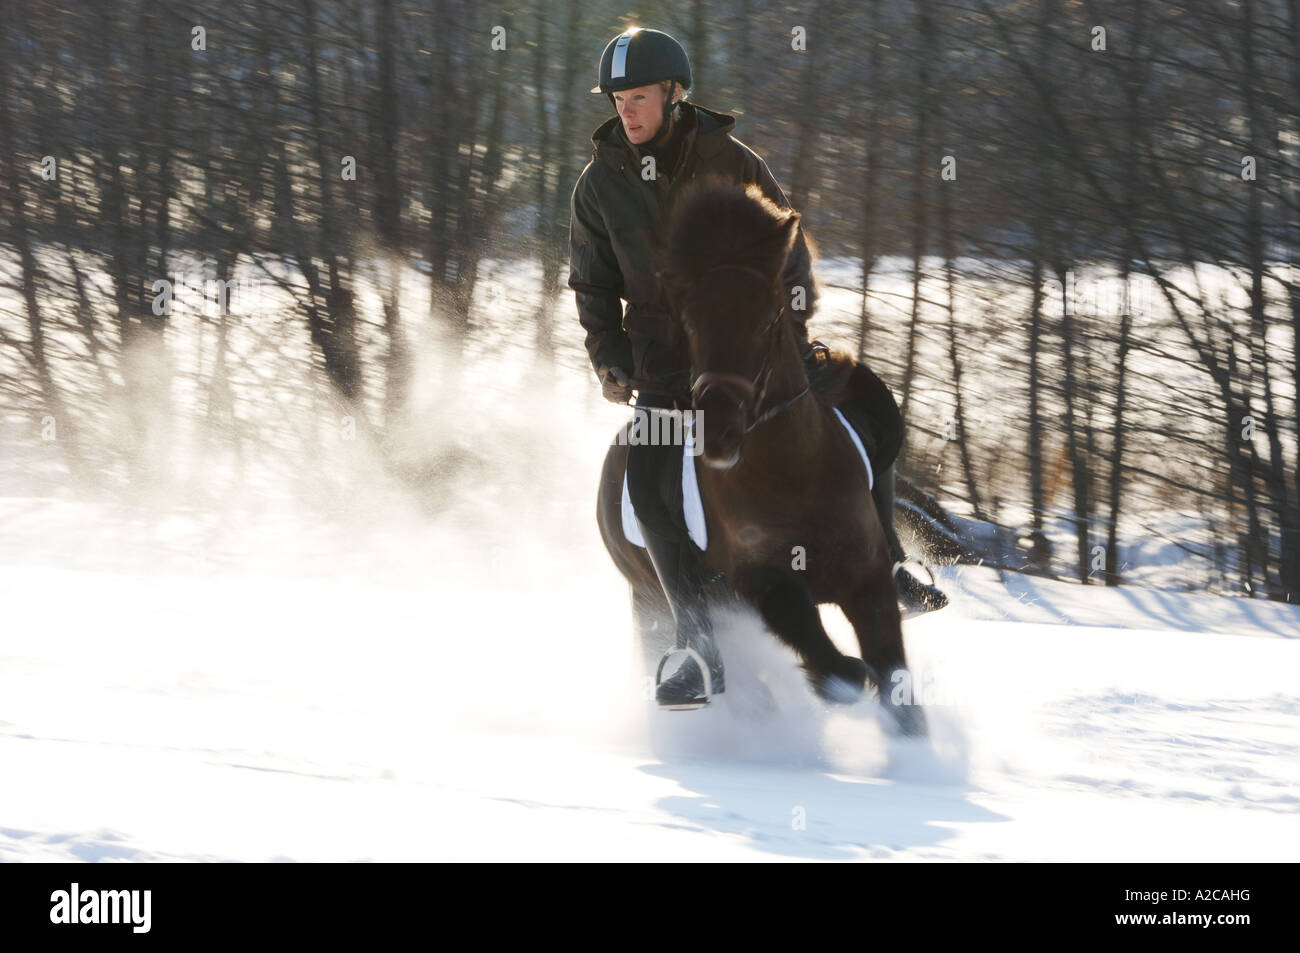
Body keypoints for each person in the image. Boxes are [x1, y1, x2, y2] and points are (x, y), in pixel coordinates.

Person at [568, 28, 947, 707]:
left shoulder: (732, 160)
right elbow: (592, 287)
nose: (627, 112)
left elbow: (789, 246)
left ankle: (887, 562)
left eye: (641, 98)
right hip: (664, 369)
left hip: (751, 353)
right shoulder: (599, 186)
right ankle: (695, 639)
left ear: (675, 95)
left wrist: (789, 320)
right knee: (650, 479)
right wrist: (610, 358)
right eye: (620, 99)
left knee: (870, 409)